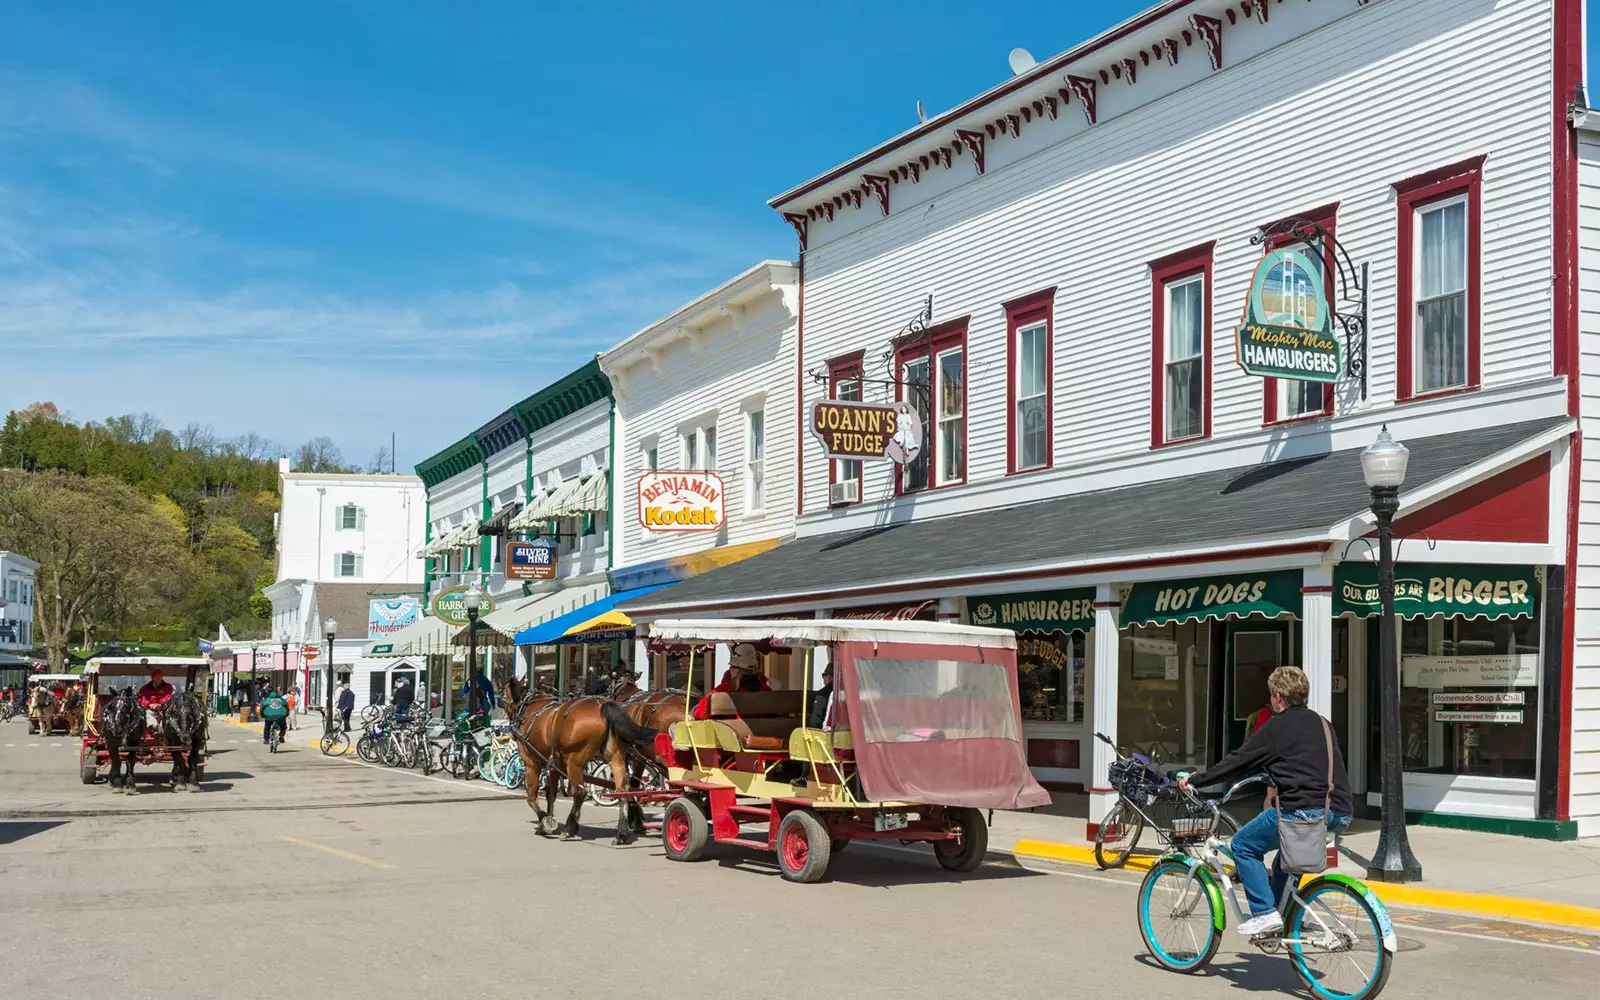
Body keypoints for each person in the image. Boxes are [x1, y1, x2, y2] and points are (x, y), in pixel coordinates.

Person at [1178, 666, 1352, 937]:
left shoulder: (1277, 727)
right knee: (1286, 860)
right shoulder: (1323, 723)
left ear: (1279, 697)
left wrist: (1197, 780)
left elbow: (1238, 760)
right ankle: (1285, 915)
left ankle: (1264, 913)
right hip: (1339, 811)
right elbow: (1307, 763)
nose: (1271, 701)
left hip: (1304, 812)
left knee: (1243, 845)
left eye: (1272, 696)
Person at [691, 645, 771, 721]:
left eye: (732, 666)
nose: (730, 669)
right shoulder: (766, 690)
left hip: (730, 732)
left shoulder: (725, 689)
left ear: (736, 669)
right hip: (760, 733)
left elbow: (699, 713)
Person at [136, 666, 175, 733]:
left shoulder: (168, 687)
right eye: (156, 677)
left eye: (159, 676)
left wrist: (162, 704)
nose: (158, 678)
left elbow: (170, 696)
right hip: (150, 710)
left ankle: (162, 730)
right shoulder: (145, 688)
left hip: (164, 709)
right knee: (146, 714)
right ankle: (155, 727)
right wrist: (149, 704)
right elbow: (140, 698)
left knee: (169, 715)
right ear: (152, 678)